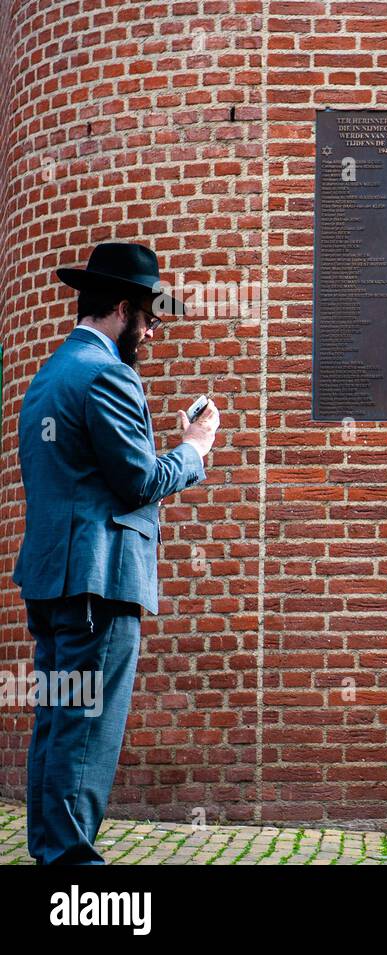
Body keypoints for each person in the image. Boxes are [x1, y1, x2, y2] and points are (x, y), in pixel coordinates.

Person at [14, 242, 220, 864]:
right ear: (123, 308)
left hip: (54, 580)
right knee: (84, 734)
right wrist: (194, 448)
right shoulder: (108, 374)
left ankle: (52, 855)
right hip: (98, 582)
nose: (154, 331)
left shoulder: (49, 373)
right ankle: (74, 876)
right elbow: (136, 481)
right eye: (150, 317)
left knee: (57, 725)